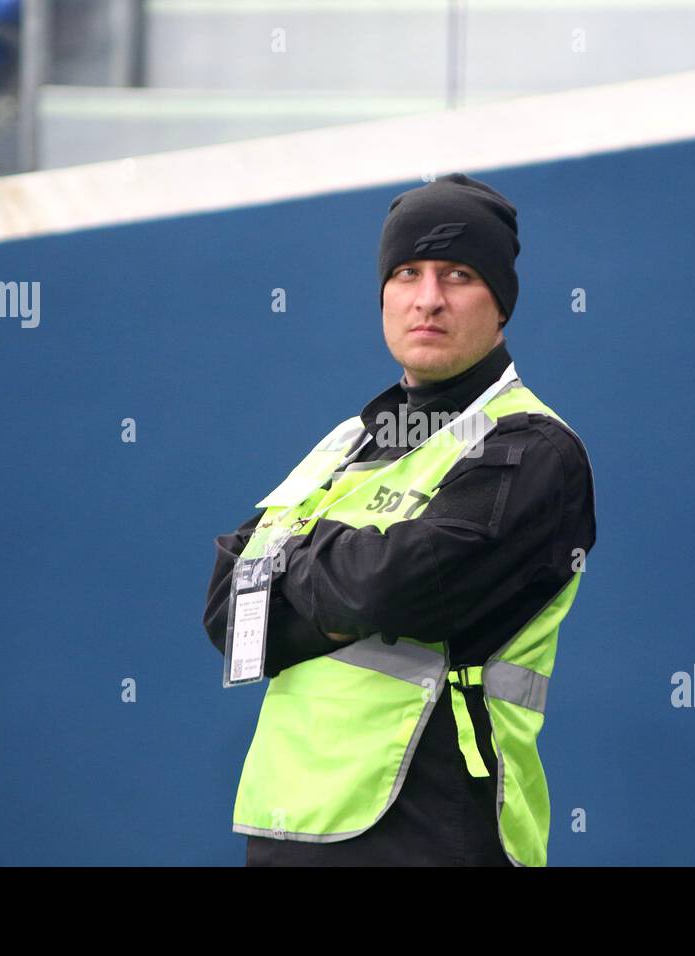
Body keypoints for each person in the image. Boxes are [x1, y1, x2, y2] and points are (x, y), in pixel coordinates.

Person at [202, 172, 596, 866]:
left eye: (459, 274)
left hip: (439, 828)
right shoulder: (345, 443)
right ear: (383, 296)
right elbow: (227, 612)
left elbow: (399, 588)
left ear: (501, 305)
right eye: (407, 272)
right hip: (290, 824)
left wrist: (295, 561)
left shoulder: (531, 448)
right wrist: (344, 582)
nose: (428, 299)